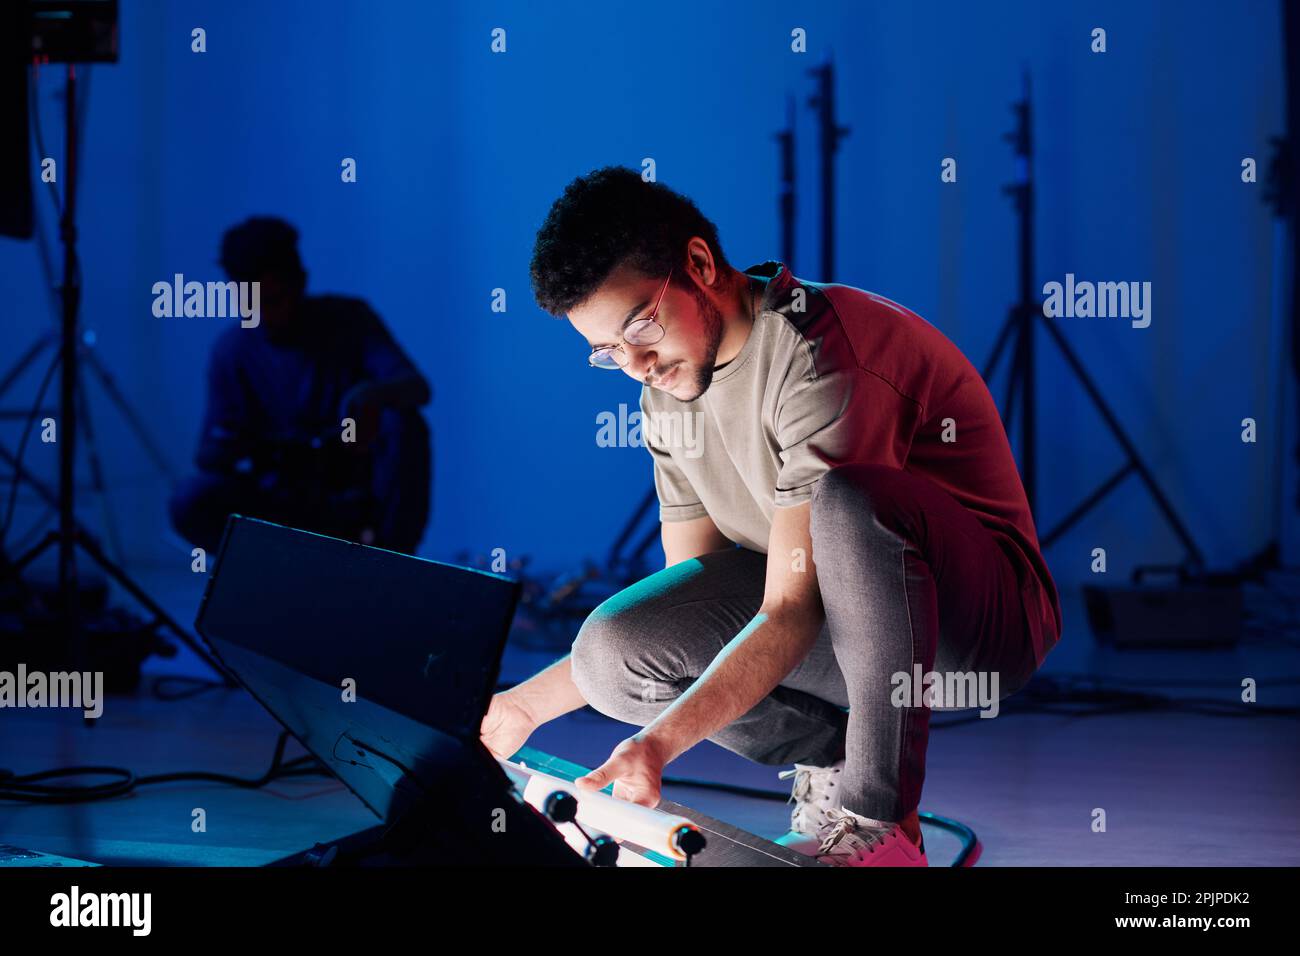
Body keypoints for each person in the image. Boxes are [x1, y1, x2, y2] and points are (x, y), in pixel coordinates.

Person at [481, 166, 1062, 867]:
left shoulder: (821, 352)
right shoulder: (669, 388)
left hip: (979, 627)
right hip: (841, 620)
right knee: (616, 654)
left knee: (849, 503)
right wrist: (523, 707)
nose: (634, 364)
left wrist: (658, 744)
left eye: (640, 324)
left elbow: (788, 608)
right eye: (607, 353)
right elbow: (692, 598)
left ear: (698, 264)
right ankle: (834, 770)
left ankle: (880, 820)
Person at [169, 217, 432, 556]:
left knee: (404, 424)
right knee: (191, 498)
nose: (263, 314)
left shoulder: (350, 320)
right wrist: (251, 446)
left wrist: (369, 396)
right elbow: (208, 455)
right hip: (278, 500)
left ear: (300, 284)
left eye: (273, 300)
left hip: (349, 498)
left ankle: (390, 565)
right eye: (250, 303)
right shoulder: (232, 351)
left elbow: (417, 387)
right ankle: (259, 570)